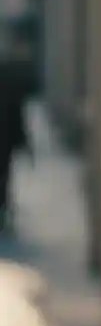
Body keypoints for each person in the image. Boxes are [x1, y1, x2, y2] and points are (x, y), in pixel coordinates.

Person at [0, 46, 32, 232]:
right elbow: (17, 115)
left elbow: (16, 115)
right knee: (4, 176)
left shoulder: (10, 85)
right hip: (6, 141)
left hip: (5, 140)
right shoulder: (10, 84)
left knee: (4, 176)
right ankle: (3, 208)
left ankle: (4, 208)